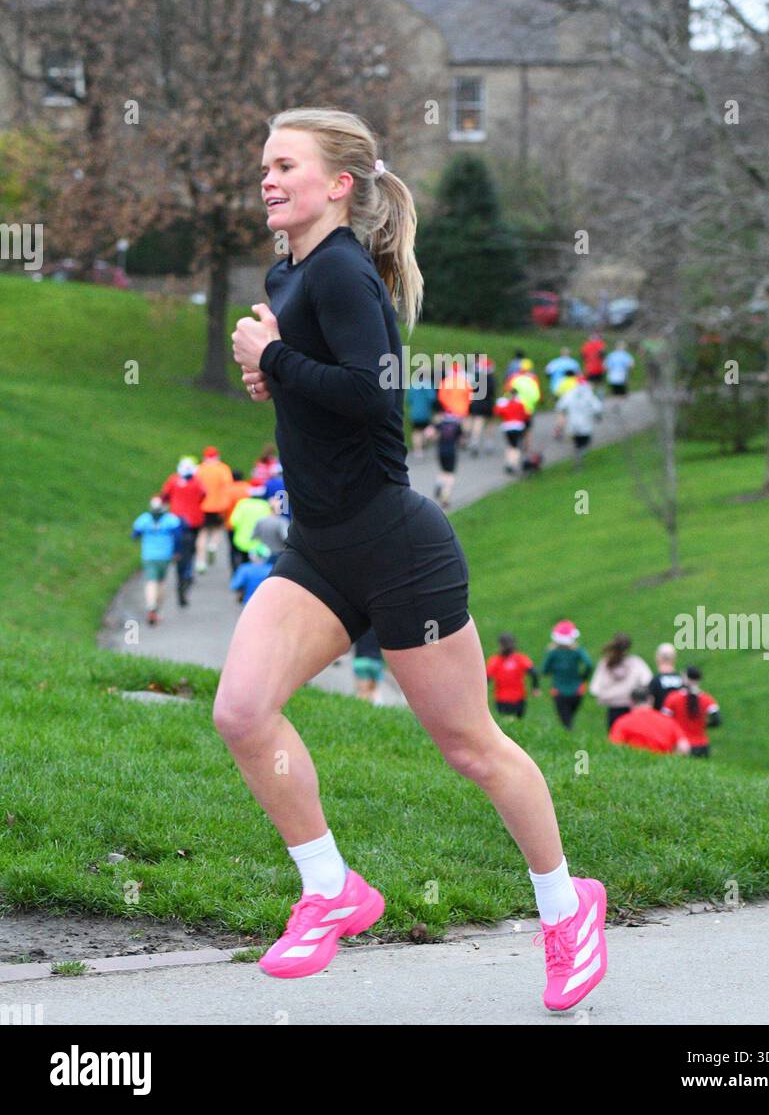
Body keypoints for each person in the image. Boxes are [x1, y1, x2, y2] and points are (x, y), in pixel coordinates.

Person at [222, 107, 607, 1012]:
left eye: (285, 165)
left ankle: (567, 905)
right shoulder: (291, 270)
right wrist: (271, 369)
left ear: (337, 185)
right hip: (320, 548)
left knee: (471, 746)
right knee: (242, 711)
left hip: (398, 550)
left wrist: (274, 356)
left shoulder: (345, 271)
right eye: (264, 166)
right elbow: (320, 392)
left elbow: (374, 397)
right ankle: (330, 889)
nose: (268, 179)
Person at [160, 456, 206, 607]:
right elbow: (203, 495)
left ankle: (180, 566)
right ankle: (188, 571)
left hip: (176, 521)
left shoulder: (173, 481)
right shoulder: (197, 482)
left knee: (178, 547)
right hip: (194, 521)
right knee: (191, 548)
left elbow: (164, 496)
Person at [131, 496, 182, 626]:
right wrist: (177, 552)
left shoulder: (144, 519)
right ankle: (157, 609)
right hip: (165, 555)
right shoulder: (170, 520)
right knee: (161, 582)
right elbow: (178, 536)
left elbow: (135, 534)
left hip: (148, 555)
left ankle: (150, 605)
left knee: (150, 581)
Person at [588, 633, 652, 729]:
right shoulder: (636, 662)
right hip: (631, 706)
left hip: (613, 707)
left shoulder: (605, 663)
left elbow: (594, 689)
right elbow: (647, 679)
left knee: (614, 737)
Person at [540, 621, 594, 730]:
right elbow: (589, 664)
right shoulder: (577, 651)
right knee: (570, 717)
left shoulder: (553, 652)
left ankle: (569, 736)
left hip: (559, 691)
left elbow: (544, 670)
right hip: (576, 690)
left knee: (565, 721)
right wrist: (583, 677)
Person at [608, 686, 691, 754]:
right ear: (651, 700)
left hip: (635, 765)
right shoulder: (668, 721)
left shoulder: (622, 722)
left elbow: (615, 748)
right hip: (663, 764)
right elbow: (684, 747)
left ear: (631, 702)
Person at [661, 667, 721, 758]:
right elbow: (717, 720)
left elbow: (664, 720)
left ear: (685, 678)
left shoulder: (673, 698)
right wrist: (704, 725)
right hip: (702, 745)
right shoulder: (707, 699)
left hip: (681, 745)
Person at [195, 446, 234, 571]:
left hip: (202, 506)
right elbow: (228, 487)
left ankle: (200, 562)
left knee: (202, 533)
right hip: (218, 505)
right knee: (217, 528)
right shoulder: (223, 469)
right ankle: (213, 545)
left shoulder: (200, 469)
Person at [485, 633, 540, 720]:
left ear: (500, 645)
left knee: (505, 723)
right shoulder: (521, 659)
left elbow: (486, 679)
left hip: (502, 699)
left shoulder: (495, 661)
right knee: (518, 722)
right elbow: (534, 673)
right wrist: (535, 688)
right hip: (519, 699)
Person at [554, 376, 603, 466]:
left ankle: (577, 455)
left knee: (576, 441)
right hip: (585, 424)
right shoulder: (589, 395)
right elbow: (598, 407)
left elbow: (560, 406)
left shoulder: (569, 394)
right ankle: (580, 455)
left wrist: (561, 419)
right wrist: (598, 416)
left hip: (573, 423)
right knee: (585, 442)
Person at [227, 486, 271, 573]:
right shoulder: (265, 505)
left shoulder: (242, 503)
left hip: (242, 541)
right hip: (259, 543)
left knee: (242, 561)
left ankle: (239, 576)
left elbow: (233, 521)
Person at [493, 385, 529, 475]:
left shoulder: (505, 404)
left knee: (510, 446)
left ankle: (509, 462)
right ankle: (514, 464)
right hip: (518, 427)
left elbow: (497, 412)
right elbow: (525, 415)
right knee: (516, 447)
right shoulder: (520, 404)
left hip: (507, 427)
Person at [466, 353, 497, 456]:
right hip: (489, 402)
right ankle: (489, 442)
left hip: (477, 402)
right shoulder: (492, 378)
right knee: (490, 423)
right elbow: (493, 391)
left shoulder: (476, 377)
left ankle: (475, 441)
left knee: (478, 422)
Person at [224, 468, 253, 573]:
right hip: (246, 523)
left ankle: (235, 570)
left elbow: (225, 506)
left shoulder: (228, 489)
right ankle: (246, 569)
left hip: (230, 523)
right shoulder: (247, 488)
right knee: (246, 548)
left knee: (233, 549)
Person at [432, 408, 462, 509]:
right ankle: (445, 498)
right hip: (451, 451)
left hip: (441, 451)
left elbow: (429, 433)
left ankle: (439, 483)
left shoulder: (440, 424)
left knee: (443, 470)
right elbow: (462, 439)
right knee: (450, 475)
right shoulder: (457, 425)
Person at [230, 541, 276, 605]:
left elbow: (235, 585)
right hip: (267, 603)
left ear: (252, 555)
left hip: (248, 602)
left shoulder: (245, 568)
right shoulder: (272, 569)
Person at [352, 625, 385, 704]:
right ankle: (378, 707)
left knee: (362, 691)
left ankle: (360, 709)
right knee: (374, 689)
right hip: (377, 662)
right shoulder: (380, 629)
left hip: (361, 661)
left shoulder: (360, 627)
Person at [509, 359, 542, 439]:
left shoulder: (514, 377)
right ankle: (527, 446)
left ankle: (516, 443)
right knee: (528, 428)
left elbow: (508, 390)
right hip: (529, 407)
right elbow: (537, 393)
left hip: (516, 407)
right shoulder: (533, 378)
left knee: (517, 425)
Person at [251, 492, 291, 557]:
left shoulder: (261, 520)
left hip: (264, 553)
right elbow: (286, 539)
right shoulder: (281, 521)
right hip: (279, 553)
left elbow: (253, 537)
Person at [406, 378, 438, 457]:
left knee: (416, 432)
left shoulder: (413, 385)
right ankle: (426, 444)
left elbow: (408, 399)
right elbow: (432, 398)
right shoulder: (428, 385)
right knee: (428, 429)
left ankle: (418, 451)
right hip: (426, 412)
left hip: (414, 413)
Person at [648, 643, 683, 711]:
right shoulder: (682, 681)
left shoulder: (655, 681)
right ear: (674, 658)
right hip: (677, 721)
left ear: (658, 658)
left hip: (660, 720)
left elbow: (649, 705)